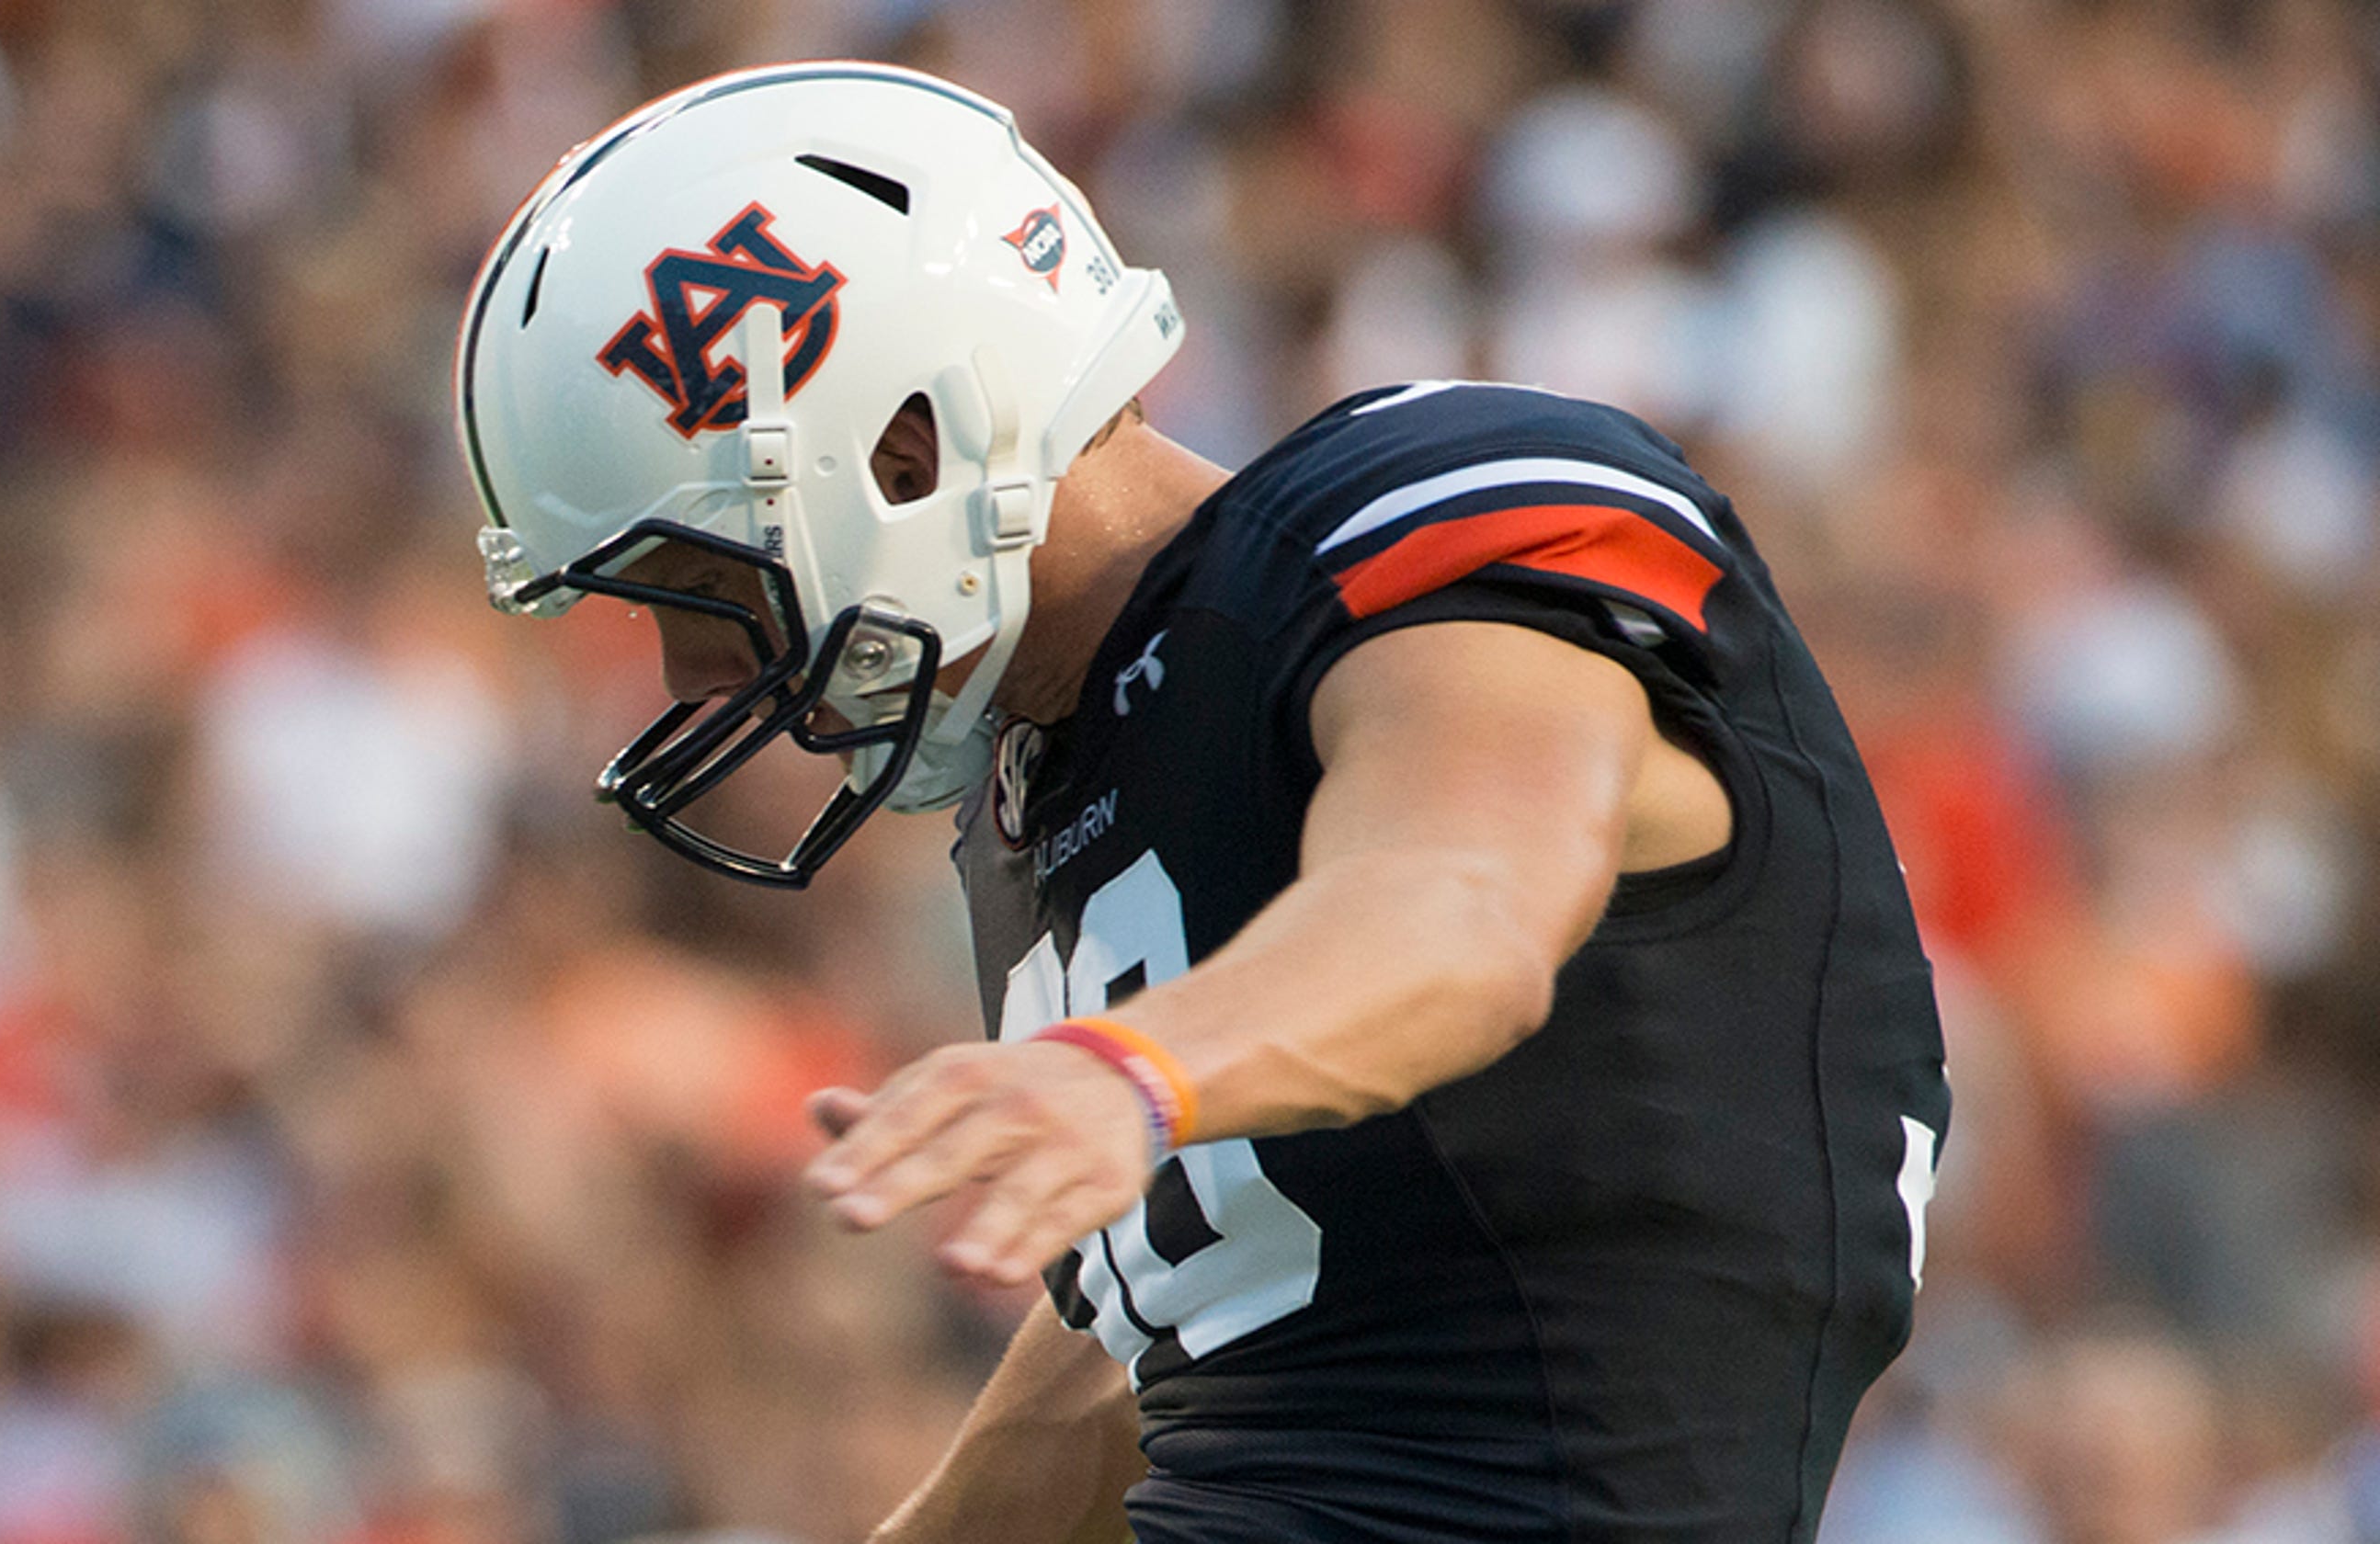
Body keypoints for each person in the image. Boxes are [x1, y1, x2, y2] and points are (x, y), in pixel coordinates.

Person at [456, 62, 1950, 1544]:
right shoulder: (1043, 793)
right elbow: (1136, 1361)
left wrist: (1124, 1071)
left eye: (704, 585)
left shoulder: (1405, 512)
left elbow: (1466, 902)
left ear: (909, 456)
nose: (691, 668)